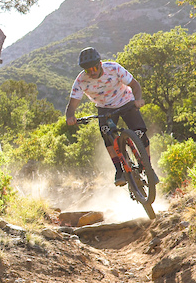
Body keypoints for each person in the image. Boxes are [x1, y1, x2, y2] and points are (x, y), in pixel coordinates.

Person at [65, 47, 157, 186]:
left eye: (94, 68)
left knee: (140, 132)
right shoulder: (80, 81)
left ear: (100, 64)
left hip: (126, 101)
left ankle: (148, 168)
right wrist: (70, 116)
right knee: (107, 135)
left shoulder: (114, 68)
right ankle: (119, 171)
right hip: (104, 108)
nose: (92, 72)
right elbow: (72, 105)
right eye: (88, 70)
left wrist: (138, 99)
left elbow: (135, 85)